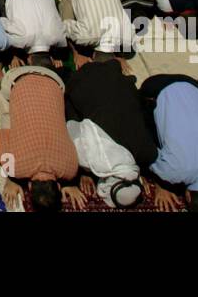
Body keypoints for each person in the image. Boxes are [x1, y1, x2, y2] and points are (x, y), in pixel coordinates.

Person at [63, 54, 157, 208]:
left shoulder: (148, 154)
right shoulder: (90, 159)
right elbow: (72, 126)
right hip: (83, 79)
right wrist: (83, 173)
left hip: (119, 78)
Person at [0, 65, 80, 212]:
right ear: (30, 187)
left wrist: (70, 183)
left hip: (55, 81)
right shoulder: (14, 168)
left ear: (58, 187)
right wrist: (9, 177)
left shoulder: (71, 170)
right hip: (16, 78)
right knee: (7, 122)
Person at [140, 74, 198, 211]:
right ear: (188, 197)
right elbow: (147, 156)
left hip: (195, 86)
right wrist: (163, 185)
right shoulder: (173, 173)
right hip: (156, 86)